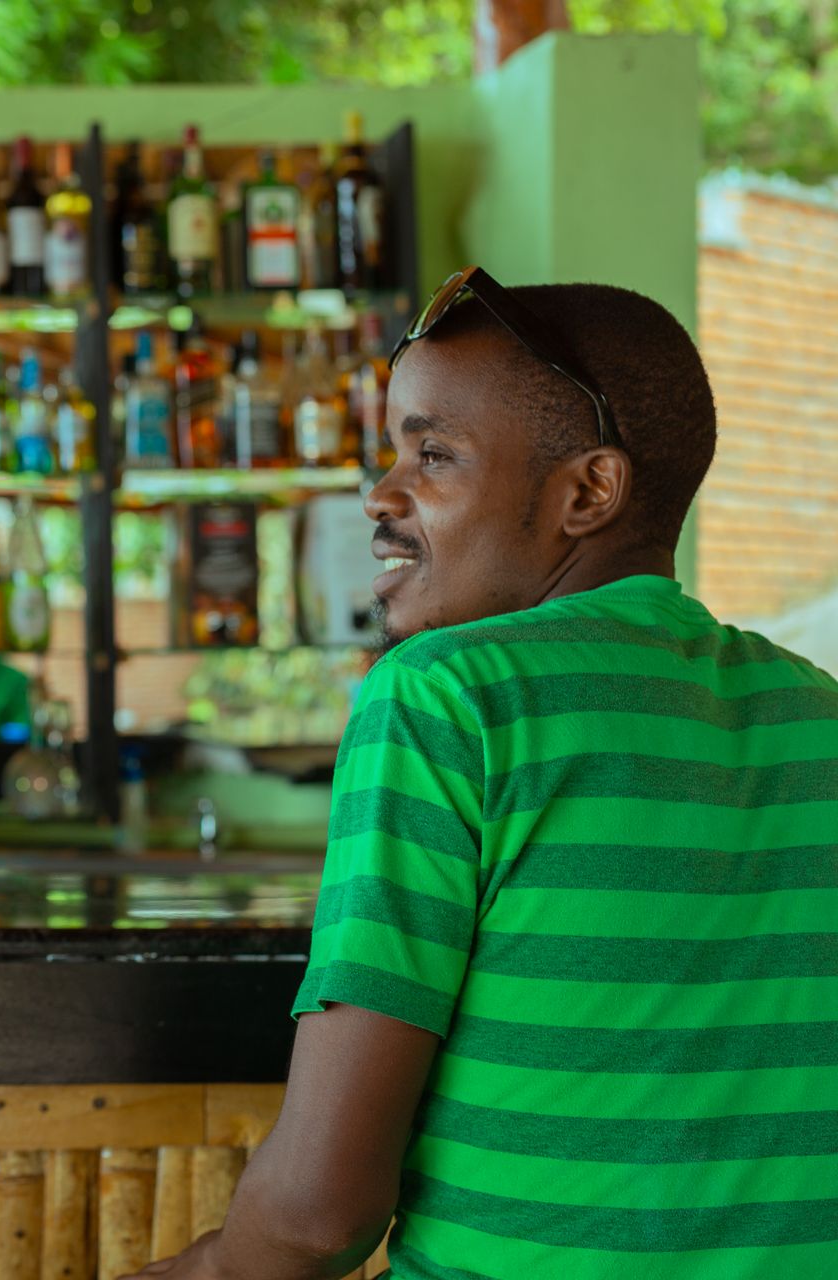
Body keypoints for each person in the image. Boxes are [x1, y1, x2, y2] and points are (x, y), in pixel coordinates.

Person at [125, 269, 838, 1279]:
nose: (381, 493)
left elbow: (324, 1212)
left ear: (587, 491)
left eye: (434, 454)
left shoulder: (445, 696)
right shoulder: (818, 713)